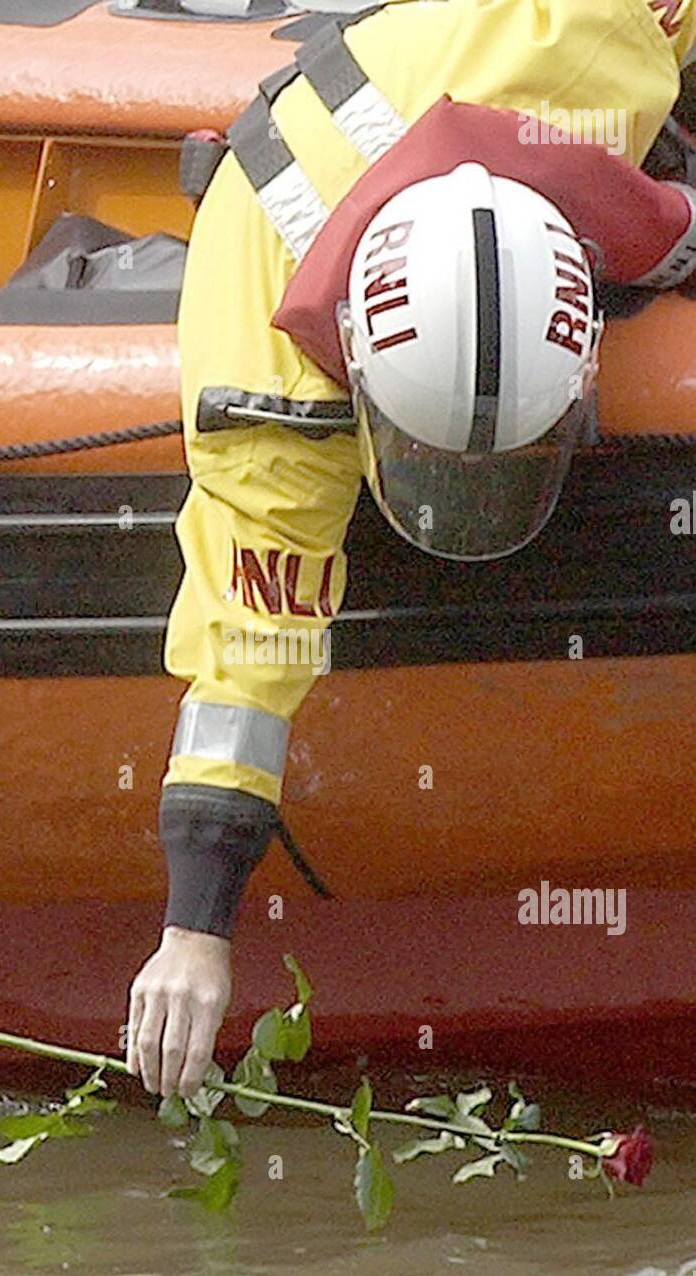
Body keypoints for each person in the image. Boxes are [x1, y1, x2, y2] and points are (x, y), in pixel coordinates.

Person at [126, 0, 696, 1098]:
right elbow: (248, 657)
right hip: (297, 196)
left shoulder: (588, 52)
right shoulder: (273, 413)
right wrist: (194, 931)